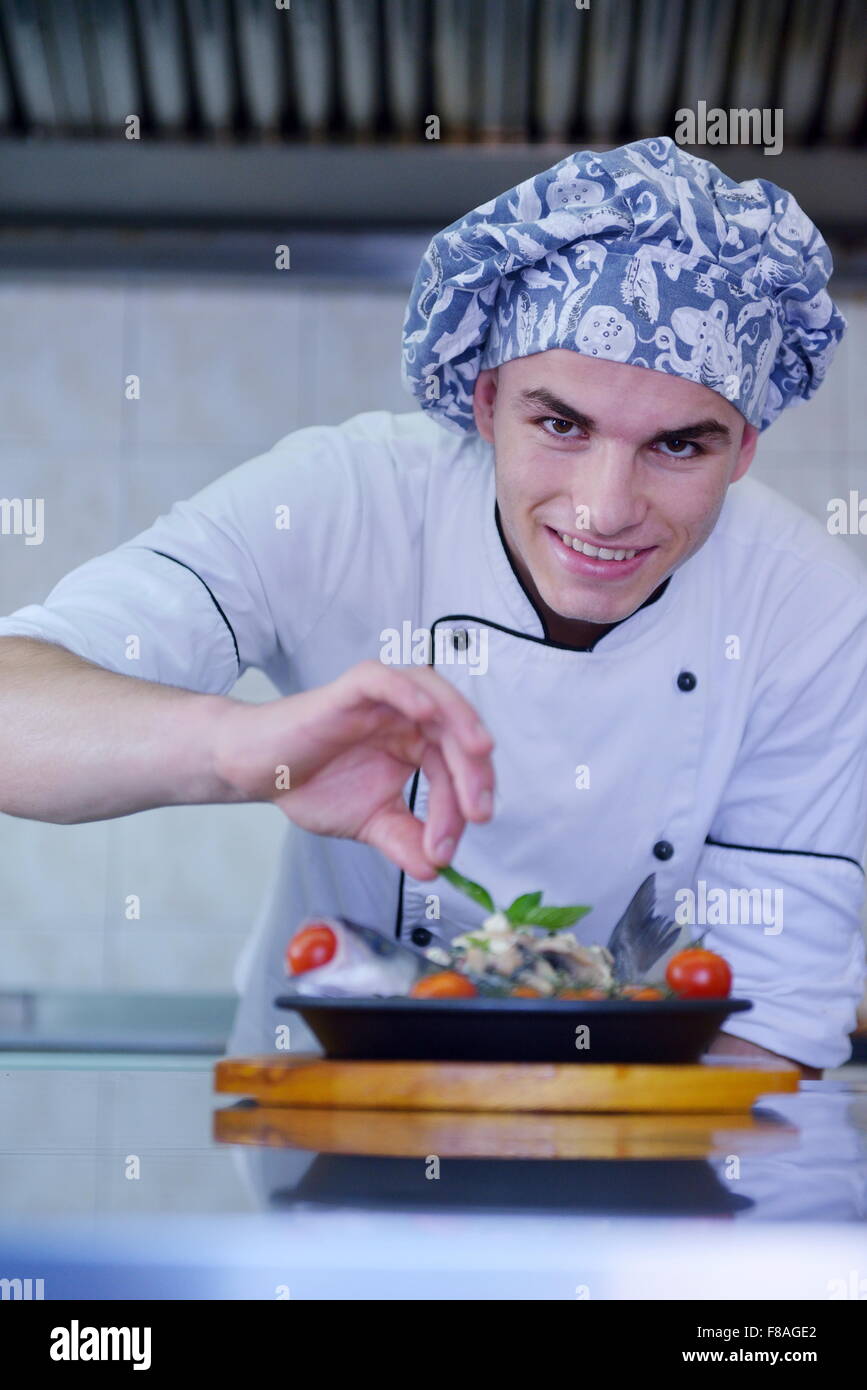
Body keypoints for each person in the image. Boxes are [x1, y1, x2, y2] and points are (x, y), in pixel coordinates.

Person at [1, 137, 864, 1078]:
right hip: (329, 1130)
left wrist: (634, 1193)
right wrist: (235, 749)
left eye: (679, 447)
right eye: (559, 425)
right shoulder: (347, 497)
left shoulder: (807, 612)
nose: (604, 509)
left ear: (742, 451)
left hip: (640, 1146)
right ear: (486, 401)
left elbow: (770, 1017)